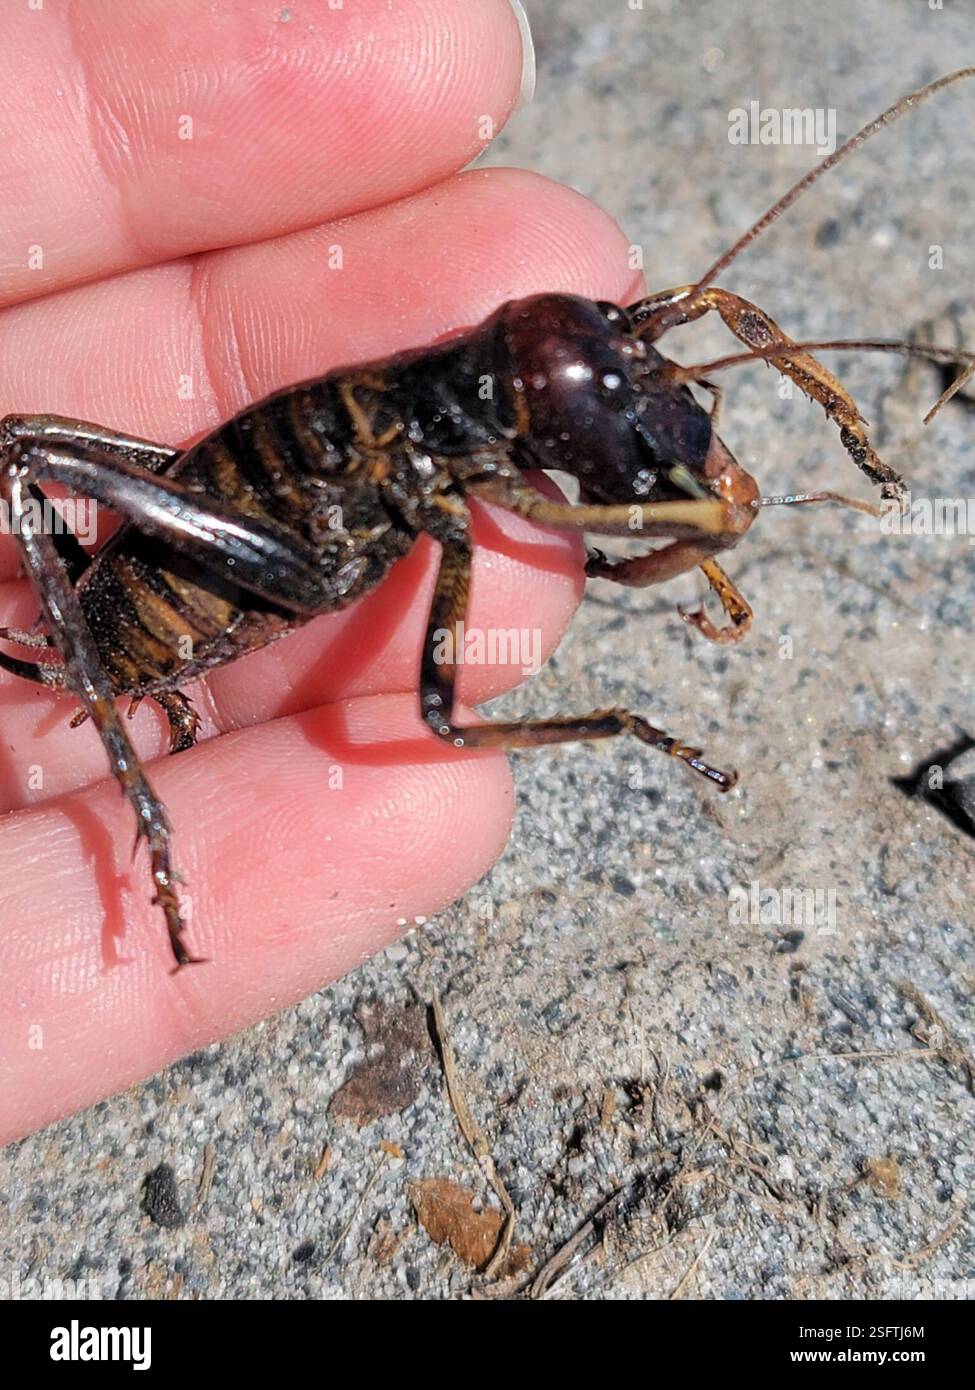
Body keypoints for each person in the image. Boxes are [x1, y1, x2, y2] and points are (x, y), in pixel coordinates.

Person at [0, 0, 642, 1143]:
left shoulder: (463, 470)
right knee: (26, 445)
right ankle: (133, 780)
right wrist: (629, 727)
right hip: (187, 574)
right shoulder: (439, 480)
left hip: (242, 548)